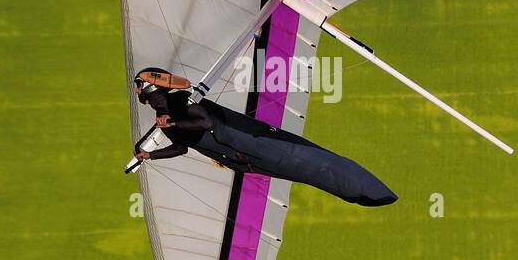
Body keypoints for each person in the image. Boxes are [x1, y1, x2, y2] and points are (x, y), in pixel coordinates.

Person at [130, 67, 396, 207]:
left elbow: (206, 121)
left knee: (308, 162)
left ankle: (368, 192)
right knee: (298, 170)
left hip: (248, 141)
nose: (147, 98)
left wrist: (174, 119)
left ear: (154, 90)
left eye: (145, 91)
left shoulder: (180, 100)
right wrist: (150, 155)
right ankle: (360, 194)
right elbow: (181, 147)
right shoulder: (162, 121)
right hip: (240, 158)